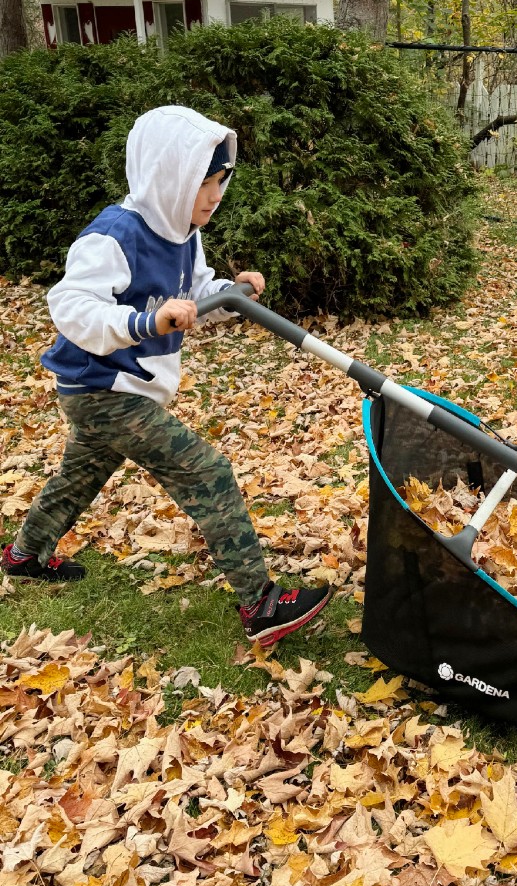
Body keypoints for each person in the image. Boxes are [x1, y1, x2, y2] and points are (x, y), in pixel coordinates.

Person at [1, 105, 330, 647]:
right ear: (171, 176)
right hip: (102, 389)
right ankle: (261, 604)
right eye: (207, 184)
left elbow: (196, 297)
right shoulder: (115, 235)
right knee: (208, 474)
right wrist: (142, 322)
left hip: (121, 392)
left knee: (79, 477)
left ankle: (24, 554)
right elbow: (70, 306)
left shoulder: (184, 233)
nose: (215, 196)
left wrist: (232, 293)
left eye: (222, 184)